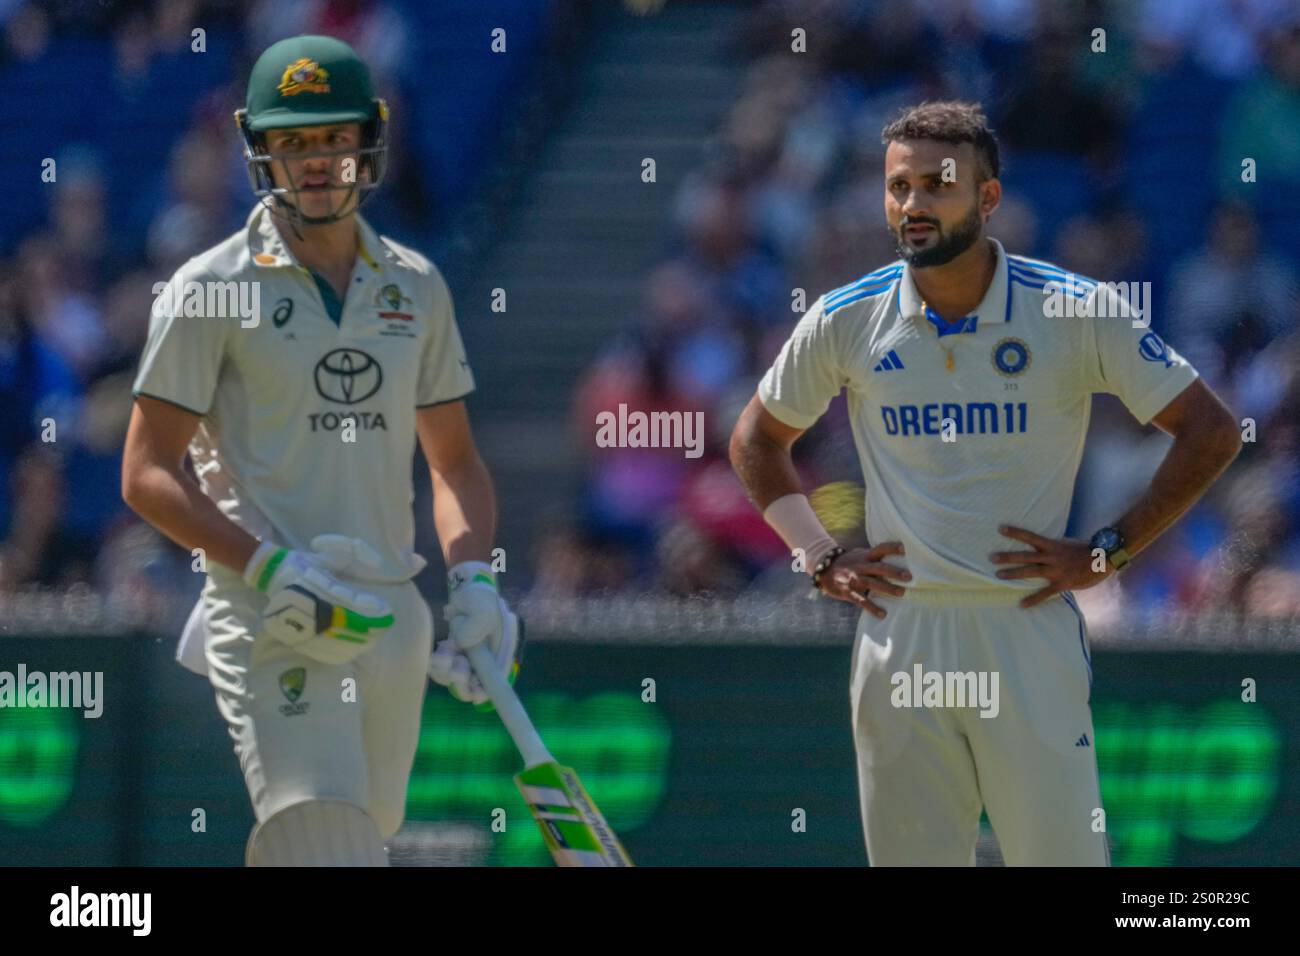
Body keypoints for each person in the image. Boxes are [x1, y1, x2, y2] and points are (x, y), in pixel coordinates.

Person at [729, 101, 1242, 866]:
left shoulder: (1075, 310)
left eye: (937, 185)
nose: (914, 205)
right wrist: (820, 556)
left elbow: (1213, 430)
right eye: (898, 187)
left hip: (1024, 626)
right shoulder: (847, 317)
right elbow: (756, 441)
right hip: (899, 633)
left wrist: (1107, 552)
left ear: (989, 197)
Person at [121, 35, 520, 866]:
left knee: (357, 846)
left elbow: (453, 465)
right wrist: (268, 567)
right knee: (322, 843)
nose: (313, 161)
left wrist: (476, 580)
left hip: (392, 622)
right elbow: (146, 474)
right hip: (274, 618)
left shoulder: (415, 284)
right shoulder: (208, 288)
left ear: (367, 140)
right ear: (259, 150)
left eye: (332, 137)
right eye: (290, 142)